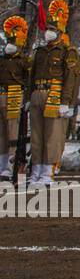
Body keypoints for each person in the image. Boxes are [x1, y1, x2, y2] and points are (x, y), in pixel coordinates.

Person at [28, 0, 79, 188]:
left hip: (54, 95)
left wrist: (67, 102)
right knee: (37, 134)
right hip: (38, 93)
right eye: (47, 27)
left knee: (52, 134)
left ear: (59, 31)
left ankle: (48, 170)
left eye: (51, 28)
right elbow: (32, 76)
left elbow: (70, 78)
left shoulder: (68, 51)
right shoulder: (40, 51)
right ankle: (37, 169)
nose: (47, 31)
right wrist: (28, 97)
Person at [0, 16, 30, 180]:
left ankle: (12, 164)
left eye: (14, 40)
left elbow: (28, 80)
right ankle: (2, 164)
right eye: (9, 39)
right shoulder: (2, 60)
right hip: (1, 94)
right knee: (1, 133)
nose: (10, 43)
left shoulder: (24, 61)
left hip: (14, 95)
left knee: (12, 132)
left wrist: (25, 99)